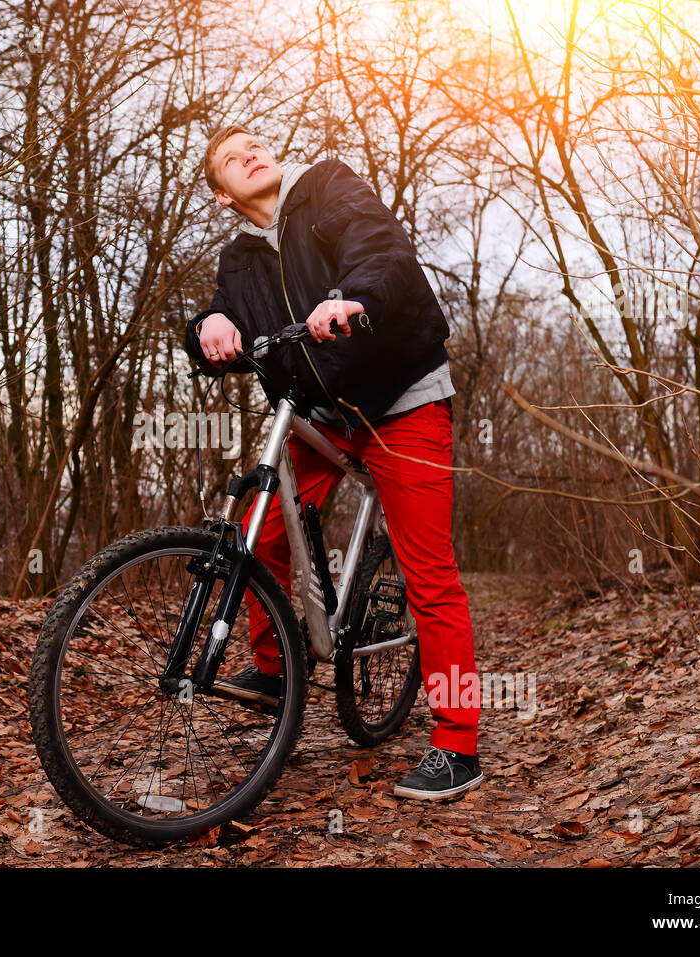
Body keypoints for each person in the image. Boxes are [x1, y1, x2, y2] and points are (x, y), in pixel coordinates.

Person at [183, 125, 482, 800]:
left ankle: (459, 743)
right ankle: (273, 669)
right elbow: (224, 319)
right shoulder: (240, 258)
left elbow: (379, 249)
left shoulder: (328, 189)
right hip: (320, 414)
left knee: (428, 571)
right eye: (232, 158)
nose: (250, 154)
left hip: (402, 398)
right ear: (223, 195)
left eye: (255, 144)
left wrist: (354, 295)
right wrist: (206, 327)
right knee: (261, 535)